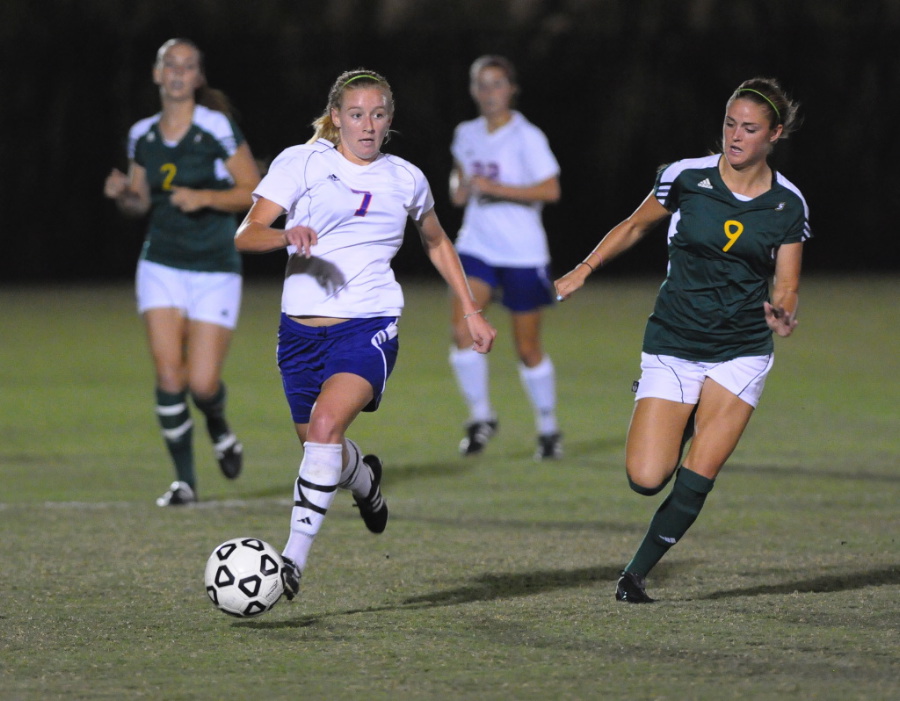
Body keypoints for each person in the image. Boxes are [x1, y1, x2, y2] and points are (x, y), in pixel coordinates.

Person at [234, 69, 496, 599]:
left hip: (370, 323)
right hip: (299, 333)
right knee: (318, 445)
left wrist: (470, 311)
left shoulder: (406, 178)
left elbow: (438, 242)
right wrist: (287, 233)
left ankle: (291, 564)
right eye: (356, 114)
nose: (368, 125)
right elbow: (246, 234)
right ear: (336, 118)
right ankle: (366, 482)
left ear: (389, 120)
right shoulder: (301, 161)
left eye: (378, 114)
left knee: (328, 425)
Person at [554, 77, 809, 603]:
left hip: (740, 351)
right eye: (730, 124)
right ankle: (682, 410)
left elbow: (786, 282)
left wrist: (782, 312)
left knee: (701, 469)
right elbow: (633, 225)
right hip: (674, 340)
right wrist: (583, 269)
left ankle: (634, 575)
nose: (735, 136)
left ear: (775, 134)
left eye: (750, 129)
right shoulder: (686, 178)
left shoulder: (788, 205)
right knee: (647, 476)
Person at [103, 38, 261, 506]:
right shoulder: (142, 135)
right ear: (157, 73)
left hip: (215, 266)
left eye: (188, 66)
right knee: (170, 375)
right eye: (170, 64)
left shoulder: (217, 127)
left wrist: (205, 197)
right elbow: (141, 201)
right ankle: (185, 482)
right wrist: (123, 196)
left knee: (202, 383)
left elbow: (255, 191)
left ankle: (218, 424)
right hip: (161, 264)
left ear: (197, 77)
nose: (177, 72)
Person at [447, 55, 563, 460]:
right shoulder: (465, 132)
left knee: (526, 347)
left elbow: (550, 190)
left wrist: (497, 188)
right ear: (473, 90)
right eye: (482, 84)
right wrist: (459, 187)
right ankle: (481, 417)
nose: (489, 92)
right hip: (477, 244)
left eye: (497, 84)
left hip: (521, 251)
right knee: (464, 330)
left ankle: (548, 427)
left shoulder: (527, 136)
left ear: (511, 89)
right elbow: (461, 179)